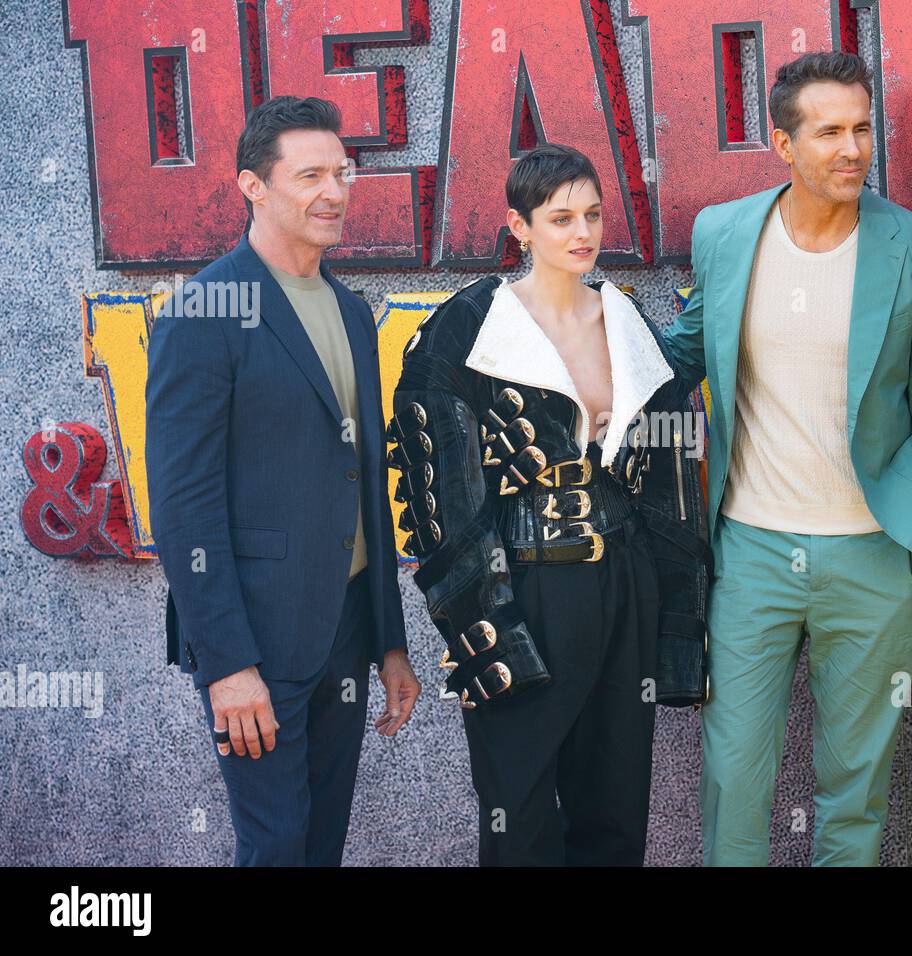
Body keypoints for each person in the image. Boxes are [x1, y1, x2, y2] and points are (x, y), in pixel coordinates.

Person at [661, 52, 912, 866]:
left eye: (863, 128)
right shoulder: (725, 234)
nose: (852, 148)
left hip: (875, 549)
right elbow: (683, 356)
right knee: (733, 771)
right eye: (828, 130)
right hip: (751, 548)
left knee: (855, 781)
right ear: (783, 142)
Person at [389, 143, 710, 866]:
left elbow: (669, 485)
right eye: (560, 217)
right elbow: (440, 499)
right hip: (525, 585)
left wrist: (679, 627)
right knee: (519, 811)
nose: (582, 232)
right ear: (519, 226)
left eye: (592, 215)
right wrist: (483, 623)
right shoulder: (466, 328)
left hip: (624, 581)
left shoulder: (628, 322)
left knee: (616, 809)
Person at [145, 96, 420, 866]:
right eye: (309, 175)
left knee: (320, 845)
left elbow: (364, 483)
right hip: (257, 641)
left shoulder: (351, 311)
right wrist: (228, 665)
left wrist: (388, 641)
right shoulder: (202, 309)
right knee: (275, 847)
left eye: (342, 172)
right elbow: (183, 508)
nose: (334, 191)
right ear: (253, 187)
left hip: (345, 631)